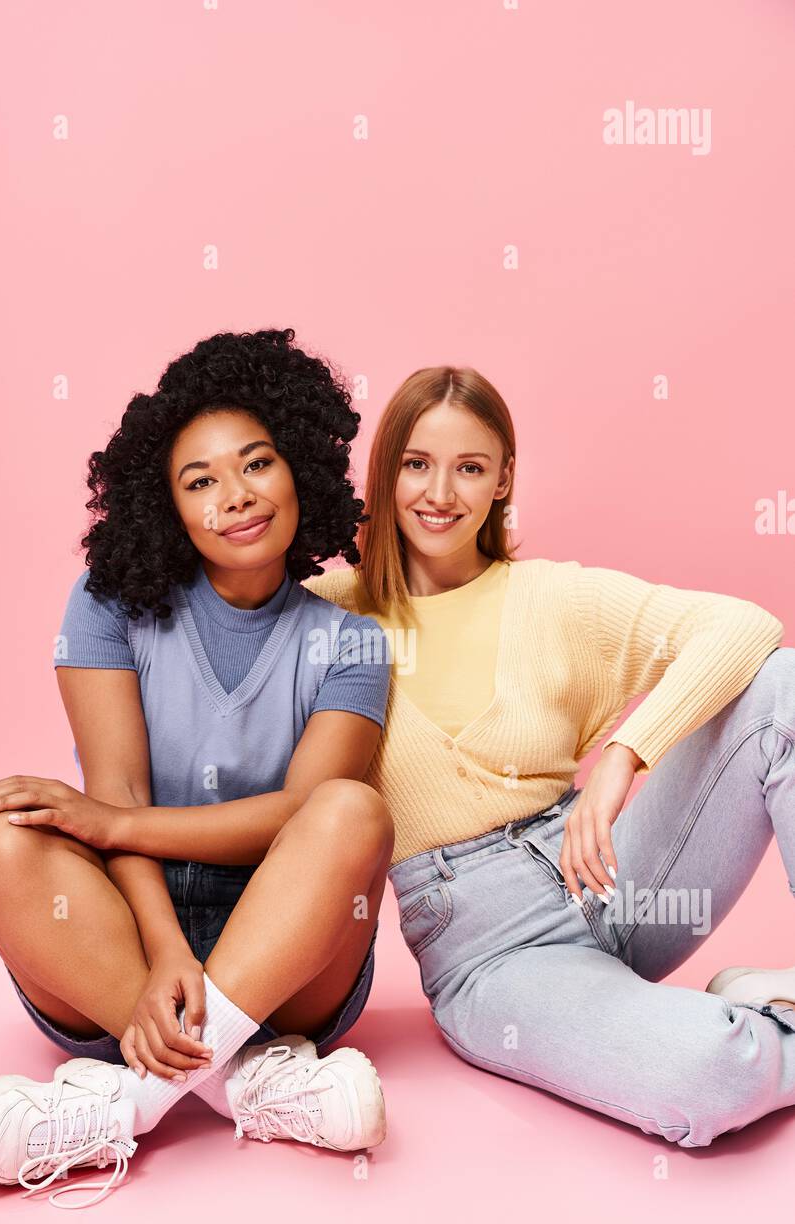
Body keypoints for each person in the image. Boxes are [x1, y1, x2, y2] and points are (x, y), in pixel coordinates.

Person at [0, 328, 394, 1208]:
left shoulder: (353, 643)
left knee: (353, 810)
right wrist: (160, 951)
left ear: (300, 469)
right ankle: (252, 1081)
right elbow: (113, 789)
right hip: (119, 939)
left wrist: (116, 823)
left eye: (257, 463)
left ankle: (124, 1105)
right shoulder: (107, 604)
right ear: (170, 509)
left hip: (288, 953)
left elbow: (296, 811)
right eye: (200, 482)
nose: (236, 496)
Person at [304, 363, 795, 1148]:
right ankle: (756, 1022)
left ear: (503, 479)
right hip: (496, 950)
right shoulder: (326, 615)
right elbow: (202, 617)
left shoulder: (550, 596)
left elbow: (747, 627)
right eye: (417, 464)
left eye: (470, 468)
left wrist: (624, 757)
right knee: (710, 1075)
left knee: (783, 688)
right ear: (385, 471)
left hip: (611, 871)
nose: (440, 493)